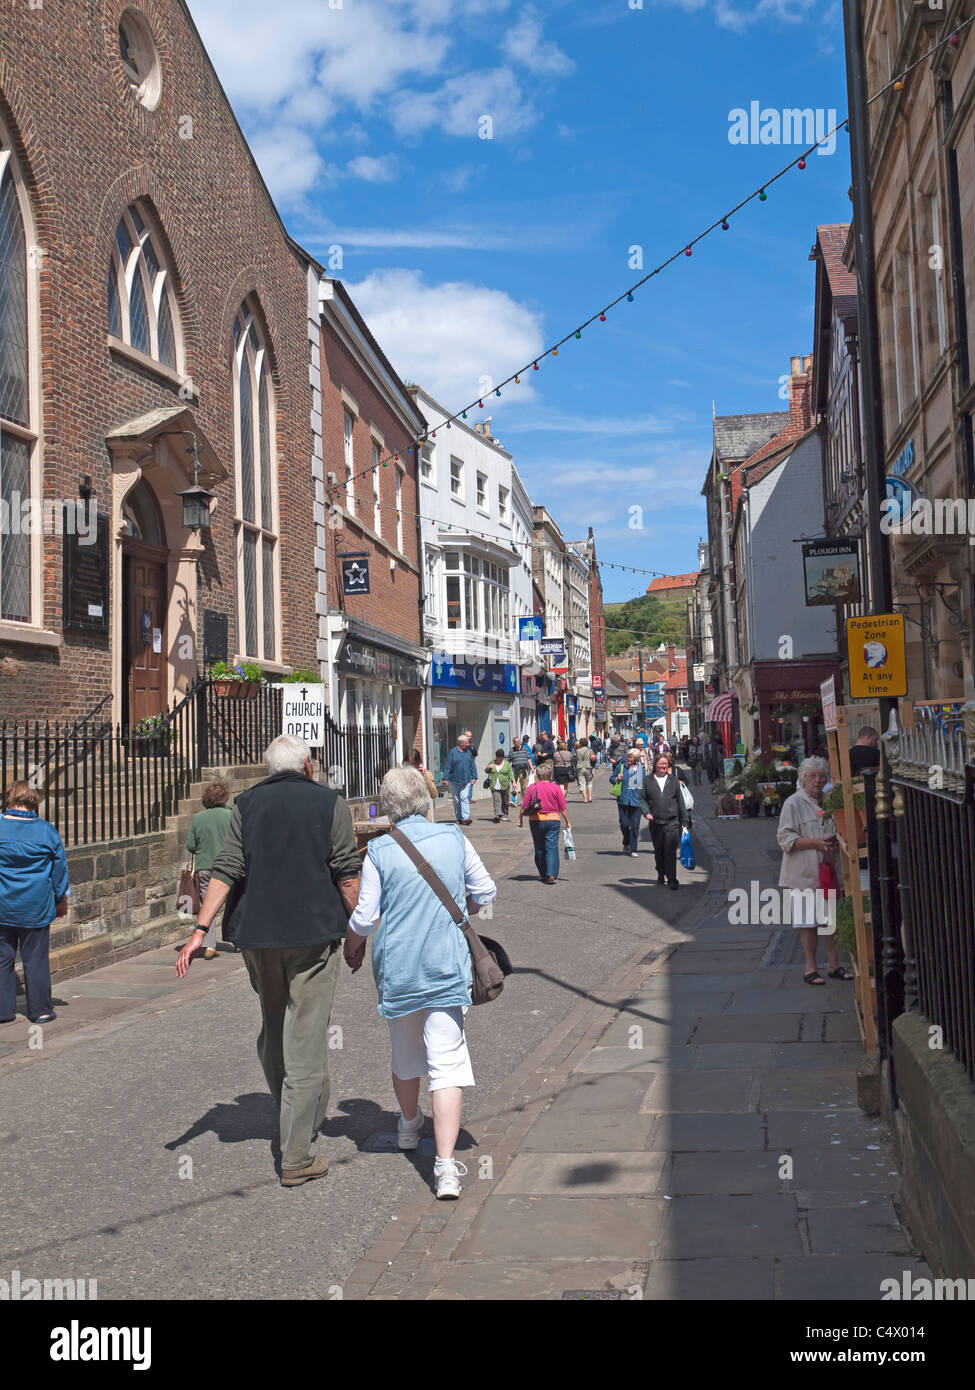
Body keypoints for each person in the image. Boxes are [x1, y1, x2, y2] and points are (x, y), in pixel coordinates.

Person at [176, 734, 362, 1187]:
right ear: (307, 766)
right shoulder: (330, 802)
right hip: (314, 935)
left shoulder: (247, 805)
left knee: (274, 1027)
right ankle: (297, 1154)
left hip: (258, 937)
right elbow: (346, 871)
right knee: (307, 1034)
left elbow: (226, 868)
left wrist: (199, 930)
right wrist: (360, 932)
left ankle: (298, 1112)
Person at [344, 767, 496, 1200]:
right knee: (447, 1061)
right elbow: (485, 890)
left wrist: (352, 947)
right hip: (446, 964)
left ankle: (409, 1126)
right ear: (426, 802)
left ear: (388, 807)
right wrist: (459, 914)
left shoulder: (378, 850)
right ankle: (446, 1169)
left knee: (406, 1053)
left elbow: (364, 917)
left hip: (400, 967)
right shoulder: (453, 838)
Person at [777, 756, 852, 986]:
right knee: (808, 922)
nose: (817, 781)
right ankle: (810, 968)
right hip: (803, 873)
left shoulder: (829, 802)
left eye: (821, 776)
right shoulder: (793, 803)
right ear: (803, 779)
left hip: (828, 871)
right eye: (812, 776)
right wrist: (816, 843)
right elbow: (785, 838)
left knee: (829, 920)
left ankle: (833, 965)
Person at [0, 781, 69, 1024]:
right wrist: (61, 899)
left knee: (2, 958)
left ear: (9, 799)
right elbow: (59, 870)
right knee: (35, 959)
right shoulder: (46, 831)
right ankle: (40, 1010)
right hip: (36, 905)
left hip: (3, 904)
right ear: (34, 801)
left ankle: (3, 1011)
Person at [185, 782, 233, 958]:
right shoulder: (231, 815)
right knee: (233, 903)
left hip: (205, 867)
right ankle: (237, 941)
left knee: (208, 905)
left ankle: (210, 946)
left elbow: (191, 845)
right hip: (228, 866)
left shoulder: (198, 818)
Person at [638, 752, 690, 888]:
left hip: (672, 821)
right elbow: (642, 798)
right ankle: (661, 872)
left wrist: (685, 820)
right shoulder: (647, 781)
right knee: (659, 851)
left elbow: (680, 800)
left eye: (666, 764)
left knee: (670, 851)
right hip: (655, 822)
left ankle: (672, 879)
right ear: (655, 765)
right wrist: (646, 812)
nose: (664, 766)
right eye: (661, 764)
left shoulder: (673, 780)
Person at [518, 762, 570, 884]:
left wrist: (520, 818)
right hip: (552, 820)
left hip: (536, 820)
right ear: (550, 775)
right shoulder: (556, 788)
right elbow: (563, 808)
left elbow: (524, 806)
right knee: (551, 847)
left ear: (538, 775)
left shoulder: (532, 787)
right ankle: (551, 874)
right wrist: (568, 821)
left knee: (539, 848)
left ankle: (542, 874)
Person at [610, 748, 644, 856]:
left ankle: (633, 849)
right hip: (623, 799)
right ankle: (626, 842)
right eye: (628, 756)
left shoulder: (640, 769)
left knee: (635, 826)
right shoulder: (621, 767)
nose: (628, 759)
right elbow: (611, 778)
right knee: (624, 824)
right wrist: (616, 779)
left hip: (636, 800)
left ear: (636, 759)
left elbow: (643, 785)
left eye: (631, 757)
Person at [443, 735, 477, 826]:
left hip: (466, 780)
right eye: (466, 742)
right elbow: (448, 765)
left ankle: (466, 818)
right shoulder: (453, 752)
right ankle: (459, 818)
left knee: (464, 798)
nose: (468, 744)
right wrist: (445, 778)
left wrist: (474, 776)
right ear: (461, 743)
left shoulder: (468, 752)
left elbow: (472, 765)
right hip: (454, 780)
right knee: (457, 800)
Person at [406, 749, 439, 820]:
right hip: (406, 814)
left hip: (424, 814)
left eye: (414, 764)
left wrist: (424, 776)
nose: (412, 767)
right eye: (409, 764)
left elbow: (434, 794)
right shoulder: (401, 775)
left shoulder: (427, 774)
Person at [487, 747, 513, 823]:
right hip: (494, 785)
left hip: (504, 785)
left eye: (501, 758)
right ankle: (497, 815)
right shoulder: (492, 762)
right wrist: (488, 768)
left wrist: (513, 781)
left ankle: (504, 814)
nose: (499, 760)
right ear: (496, 756)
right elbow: (487, 771)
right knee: (496, 801)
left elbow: (510, 773)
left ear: (503, 757)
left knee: (505, 801)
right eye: (498, 758)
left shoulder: (507, 764)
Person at [509, 737, 534, 806]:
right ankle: (514, 800)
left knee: (524, 787)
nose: (517, 743)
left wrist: (532, 768)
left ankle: (523, 800)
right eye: (516, 742)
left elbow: (529, 758)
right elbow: (509, 761)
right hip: (515, 770)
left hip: (524, 770)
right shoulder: (511, 750)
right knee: (515, 786)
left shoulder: (525, 749)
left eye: (518, 741)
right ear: (513, 743)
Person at [575, 737, 595, 803]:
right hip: (589, 767)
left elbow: (577, 759)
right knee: (589, 782)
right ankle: (590, 797)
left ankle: (585, 798)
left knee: (582, 783)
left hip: (580, 767)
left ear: (580, 743)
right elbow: (593, 758)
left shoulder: (578, 751)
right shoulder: (590, 750)